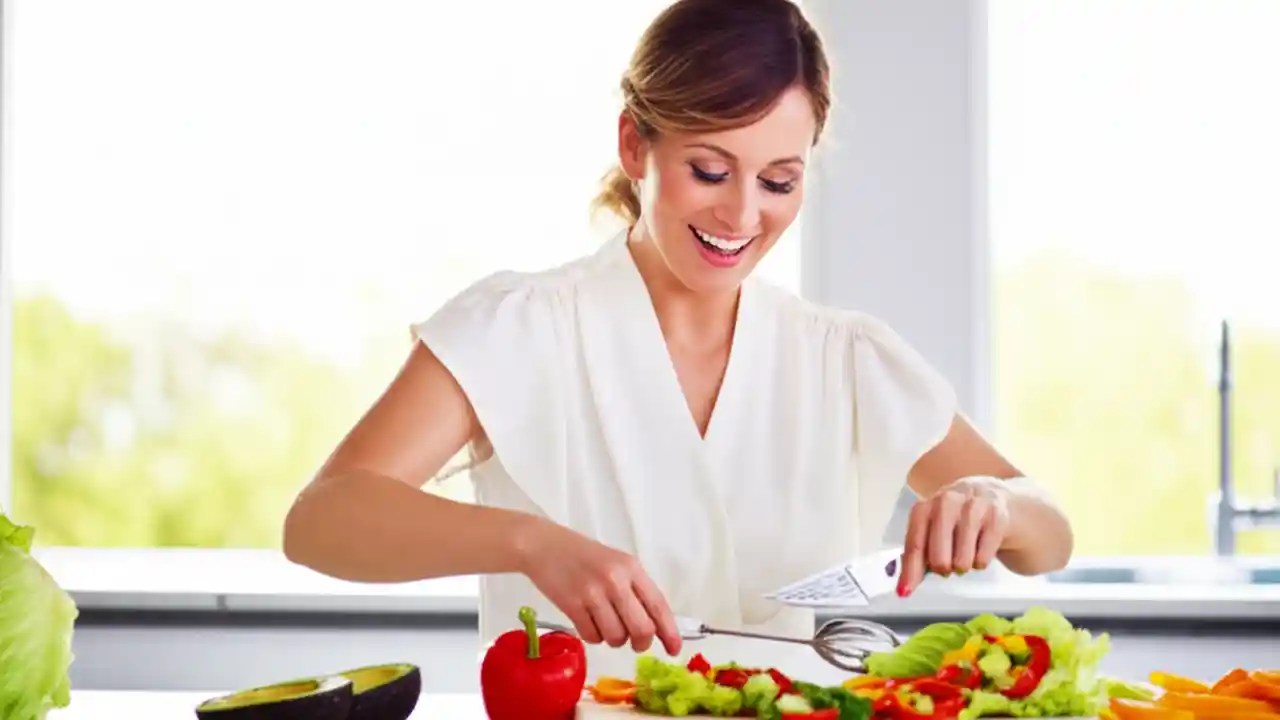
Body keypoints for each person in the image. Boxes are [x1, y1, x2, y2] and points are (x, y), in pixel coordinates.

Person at [282, 0, 1073, 681]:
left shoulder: (844, 358)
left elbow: (1051, 537)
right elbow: (323, 520)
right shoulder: (520, 328)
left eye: (778, 181)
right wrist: (528, 543)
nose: (740, 216)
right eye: (708, 169)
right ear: (636, 148)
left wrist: (994, 503)